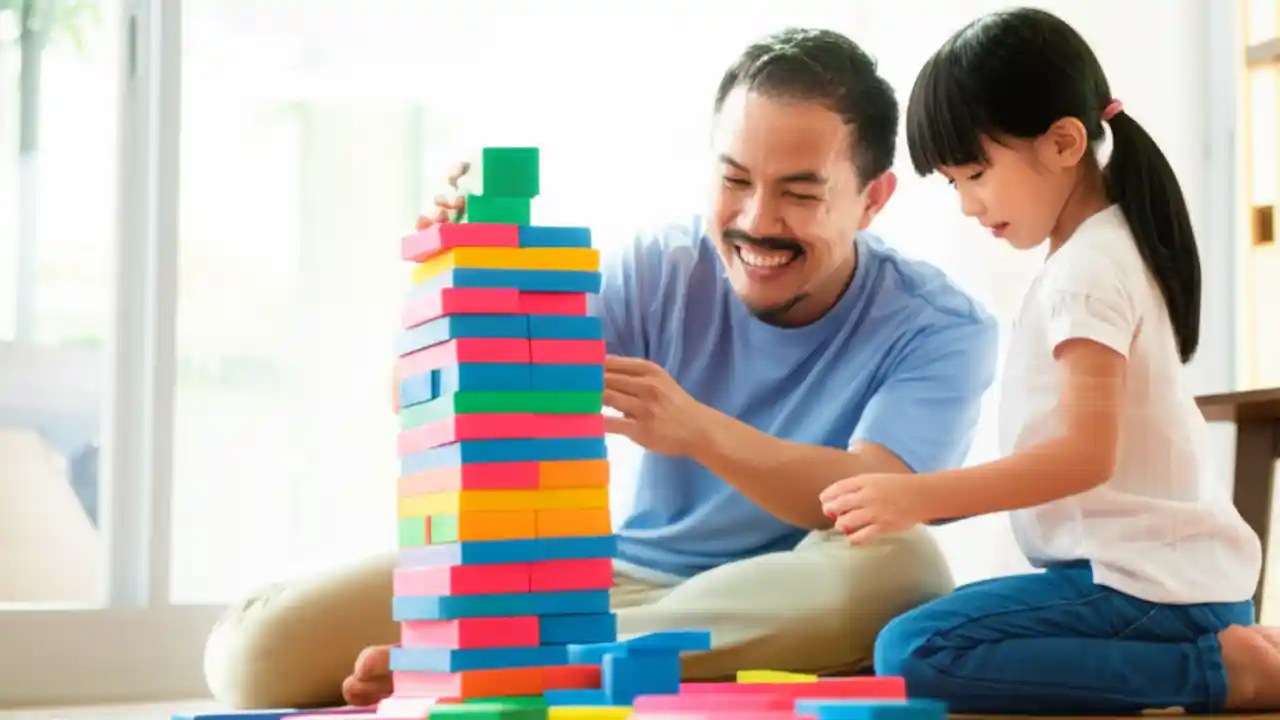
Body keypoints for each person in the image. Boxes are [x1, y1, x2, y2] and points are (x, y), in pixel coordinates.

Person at [202, 27, 1000, 710]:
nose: (758, 221)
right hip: (606, 579)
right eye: (733, 180)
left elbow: (874, 499)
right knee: (253, 653)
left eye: (800, 193)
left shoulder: (939, 327)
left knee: (902, 568)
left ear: (873, 198)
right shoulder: (658, 269)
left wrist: (701, 434)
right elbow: (425, 407)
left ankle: (499, 665)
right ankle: (544, 656)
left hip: (785, 584)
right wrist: (458, 286)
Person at [817, 6, 1280, 715]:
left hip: (1148, 590)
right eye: (952, 184)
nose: (969, 205)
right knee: (930, 633)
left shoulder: (1087, 271)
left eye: (975, 173)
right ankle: (1214, 651)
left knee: (914, 651)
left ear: (1063, 142)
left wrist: (920, 496)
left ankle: (1218, 674)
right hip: (1163, 585)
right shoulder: (1105, 245)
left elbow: (1082, 457)